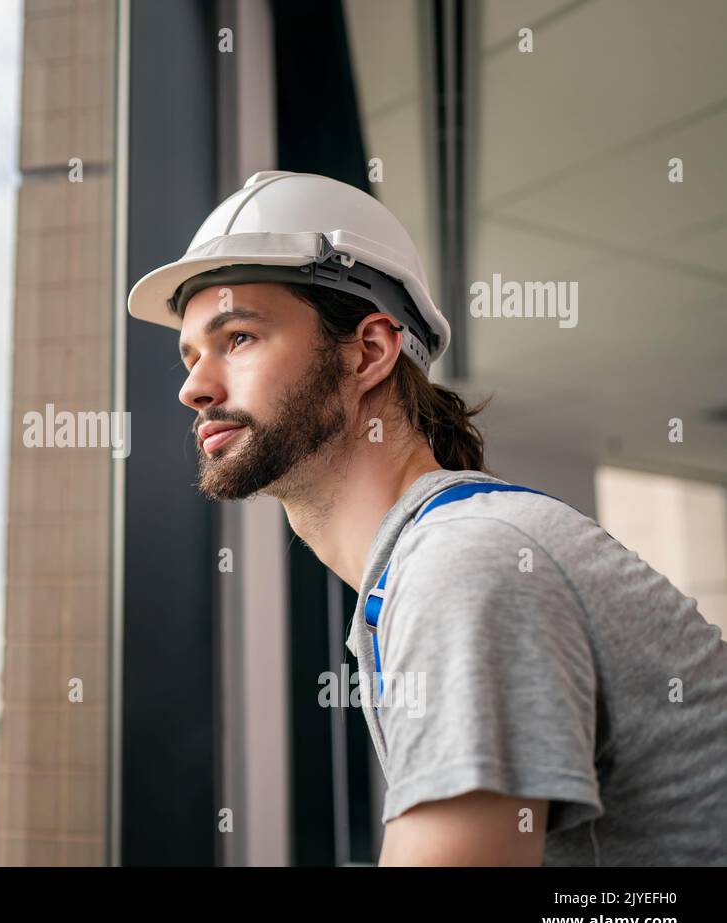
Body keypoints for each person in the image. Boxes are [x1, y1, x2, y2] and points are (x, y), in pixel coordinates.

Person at [127, 171, 727, 866]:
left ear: (370, 351)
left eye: (238, 338)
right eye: (191, 354)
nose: (193, 387)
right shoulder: (431, 562)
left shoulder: (464, 563)